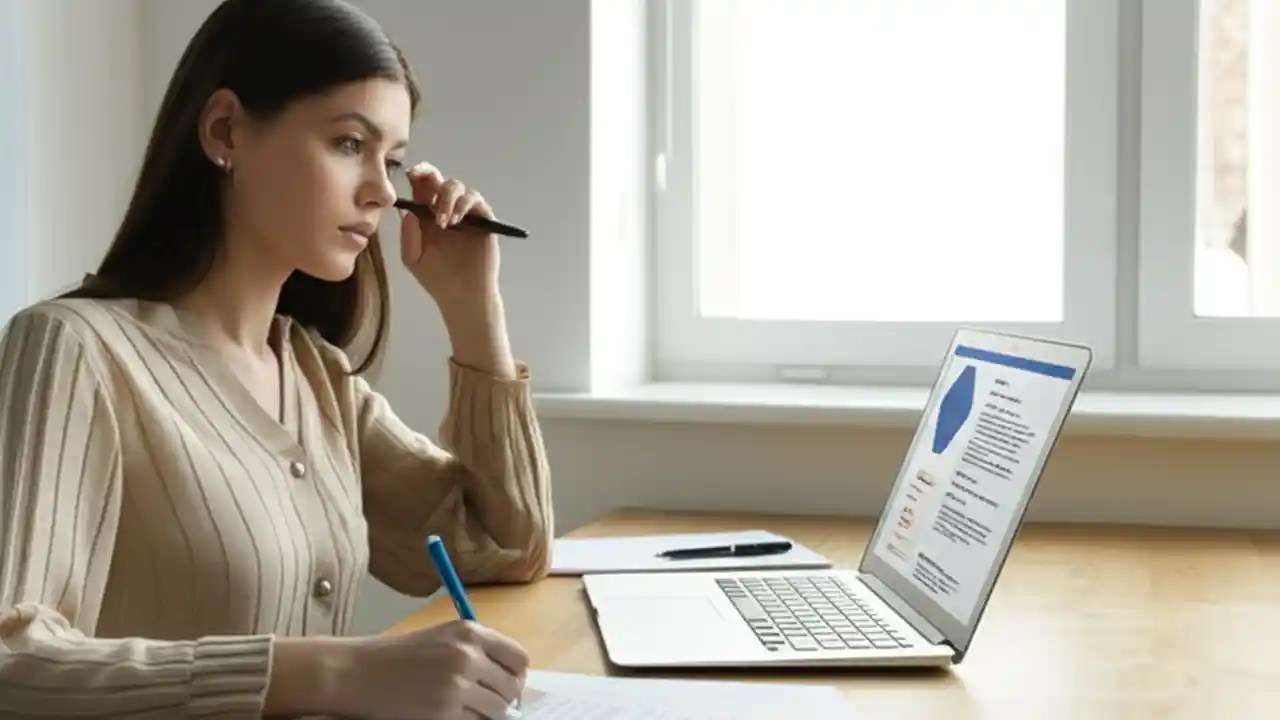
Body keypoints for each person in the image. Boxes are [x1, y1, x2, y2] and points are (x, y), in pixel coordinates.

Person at [0, 0, 553, 717]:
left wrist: (474, 311)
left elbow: (501, 546)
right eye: (350, 144)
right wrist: (339, 672)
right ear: (225, 129)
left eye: (392, 160)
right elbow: (12, 659)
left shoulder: (314, 376)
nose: (383, 192)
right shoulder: (73, 350)